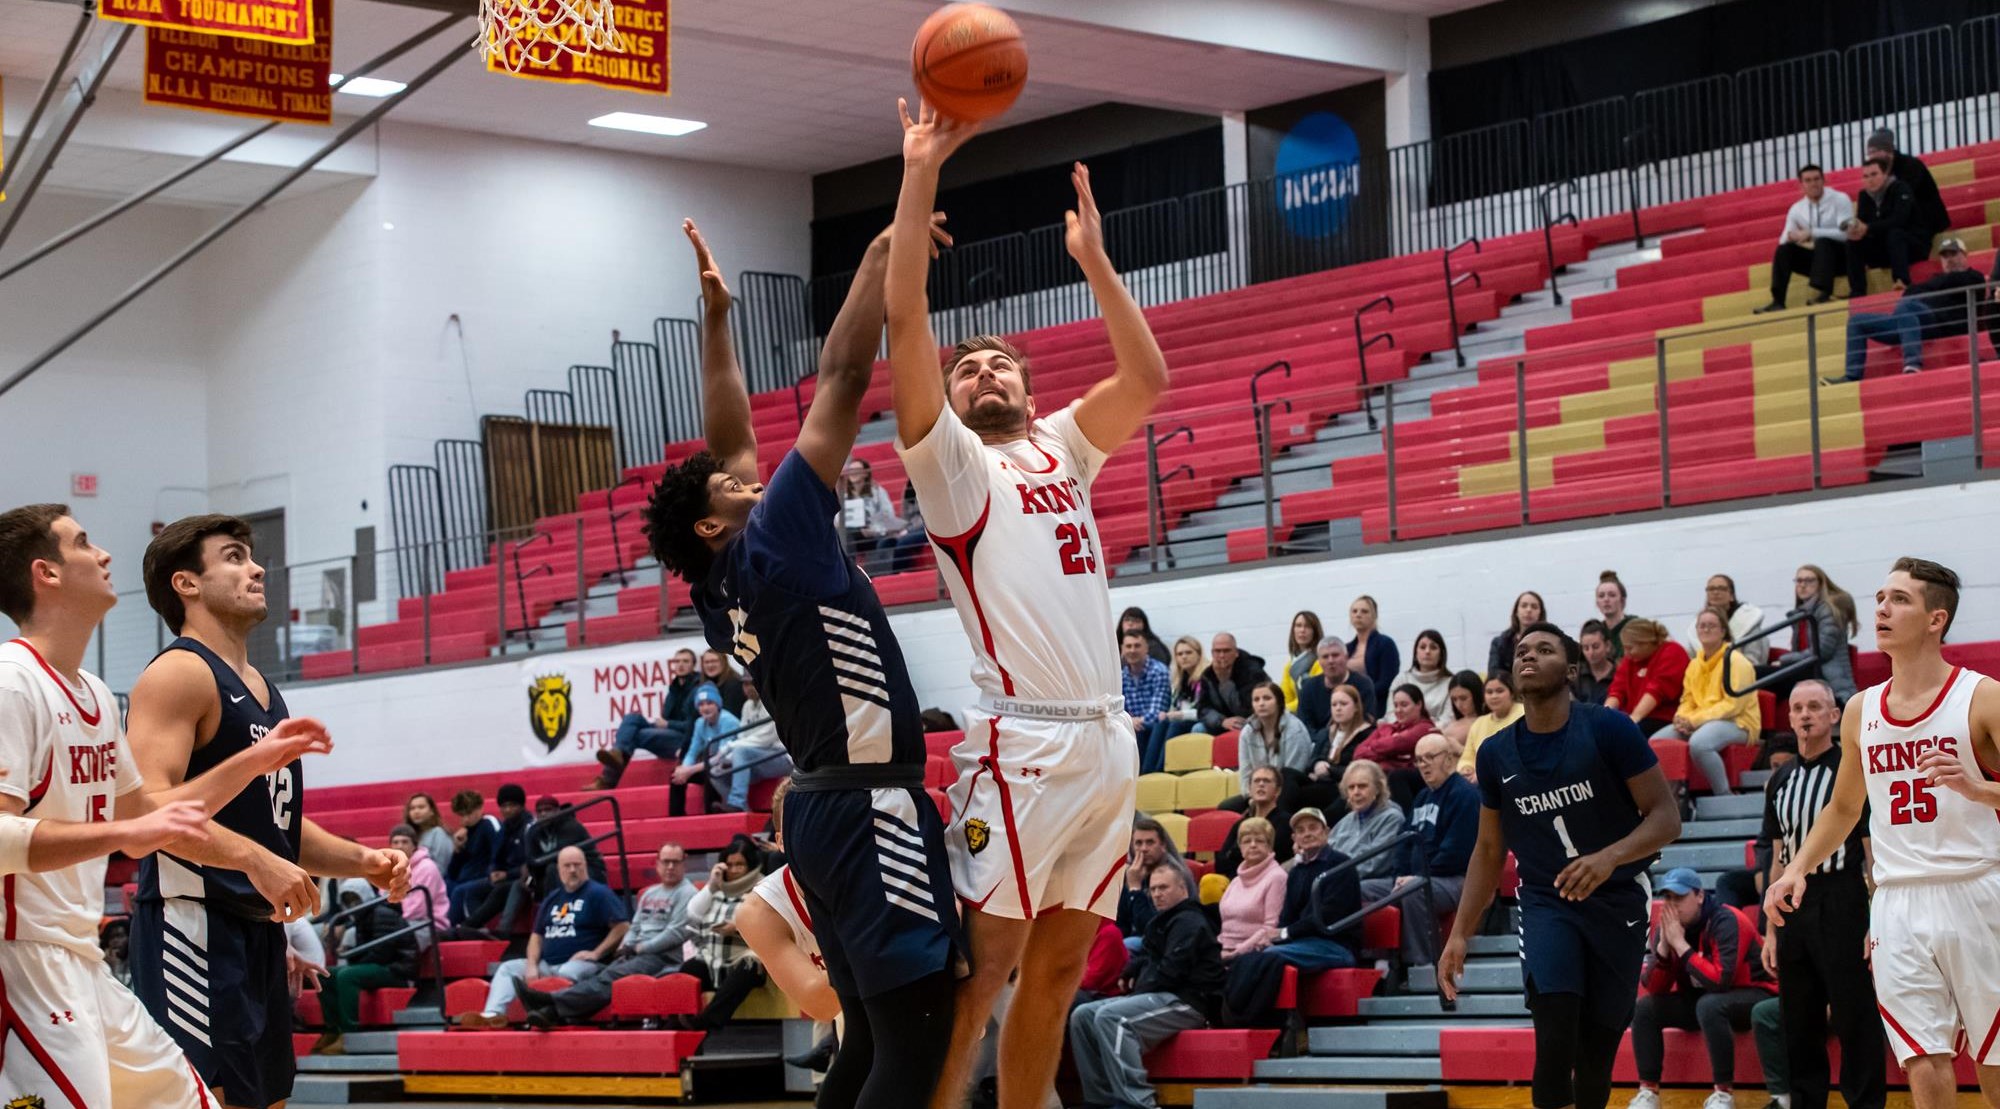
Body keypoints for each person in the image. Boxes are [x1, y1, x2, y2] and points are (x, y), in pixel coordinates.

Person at [889, 100, 1172, 1109]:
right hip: (1022, 745)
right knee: (982, 976)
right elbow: (905, 322)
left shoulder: (1060, 441)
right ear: (949, 400)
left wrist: (1093, 261)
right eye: (966, 368)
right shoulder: (949, 465)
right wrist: (918, 172)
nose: (982, 369)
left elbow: (1147, 374)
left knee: (1053, 978)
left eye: (998, 358)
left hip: (1106, 738)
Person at [642, 218, 962, 1105]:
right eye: (735, 487)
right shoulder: (777, 535)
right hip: (867, 807)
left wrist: (717, 322)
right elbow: (845, 378)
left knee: (862, 1043)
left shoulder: (720, 584)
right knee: (913, 1041)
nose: (752, 477)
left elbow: (726, 443)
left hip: (824, 812)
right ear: (717, 522)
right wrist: (872, 258)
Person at [0, 504, 328, 1109]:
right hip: (20, 957)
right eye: (84, 543)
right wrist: (243, 851)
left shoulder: (94, 692)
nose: (104, 556)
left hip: (82, 958)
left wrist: (254, 763)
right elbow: (103, 831)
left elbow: (144, 824)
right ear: (46, 573)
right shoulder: (12, 681)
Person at [127, 514, 408, 1109]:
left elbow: (274, 824)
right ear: (187, 584)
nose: (256, 567)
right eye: (233, 556)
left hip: (256, 933)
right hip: (193, 923)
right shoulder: (179, 673)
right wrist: (256, 861)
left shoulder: (258, 685)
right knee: (207, 1101)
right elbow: (147, 810)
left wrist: (364, 861)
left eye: (250, 555)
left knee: (269, 1101)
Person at [1765, 558, 2000, 1109]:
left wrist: (1983, 790)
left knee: (1995, 1062)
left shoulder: (1982, 698)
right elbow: (1845, 807)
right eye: (1879, 598)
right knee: (1923, 1057)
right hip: (1895, 902)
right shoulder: (1859, 709)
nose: (1881, 609)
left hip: (1978, 891)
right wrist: (1796, 868)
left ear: (1936, 619)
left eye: (1899, 599)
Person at [1440, 623, 1682, 1109]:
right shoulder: (1494, 753)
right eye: (1522, 651)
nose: (1528, 657)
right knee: (1554, 1033)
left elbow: (1666, 818)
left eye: (1544, 649)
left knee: (1596, 1053)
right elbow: (1489, 851)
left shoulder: (1608, 728)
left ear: (1570, 670)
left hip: (1618, 897)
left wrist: (1608, 856)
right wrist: (1460, 932)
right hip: (1546, 900)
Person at [1758, 680, 1884, 1109]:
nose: (1805, 715)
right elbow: (1778, 857)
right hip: (1792, 905)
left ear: (1835, 715)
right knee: (1799, 1020)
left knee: (1853, 1015)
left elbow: (1871, 856)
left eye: (1815, 706)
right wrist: (1771, 931)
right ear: (1789, 718)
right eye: (1797, 708)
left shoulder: (1850, 771)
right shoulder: (1780, 780)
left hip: (1842, 898)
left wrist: (1874, 918)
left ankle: (1865, 1103)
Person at [1067, 862, 1222, 1109]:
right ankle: (1098, 1100)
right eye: (1153, 889)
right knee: (1082, 1015)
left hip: (1187, 1001)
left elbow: (1171, 972)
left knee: (1111, 1017)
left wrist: (1137, 988)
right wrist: (1134, 968)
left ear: (1182, 888)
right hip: (1160, 995)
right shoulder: (1161, 922)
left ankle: (1137, 1102)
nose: (1157, 894)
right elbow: (1152, 958)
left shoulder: (1191, 921)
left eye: (1164, 888)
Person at [1626, 869, 1776, 1109]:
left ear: (1699, 896)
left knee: (1710, 1004)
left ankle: (1723, 1093)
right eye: (1669, 899)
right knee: (1645, 1008)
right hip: (1705, 999)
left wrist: (1681, 947)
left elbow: (1720, 981)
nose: (1673, 906)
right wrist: (1665, 948)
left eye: (1680, 898)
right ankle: (1648, 1092)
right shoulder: (1670, 928)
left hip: (1755, 995)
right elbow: (1654, 988)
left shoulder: (1727, 920)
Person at [516, 842, 696, 1027]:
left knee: (607, 979)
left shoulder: (688, 893)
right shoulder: (650, 893)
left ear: (685, 863)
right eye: (666, 861)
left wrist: (638, 948)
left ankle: (549, 1001)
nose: (670, 867)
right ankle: (551, 1013)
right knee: (601, 978)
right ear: (657, 863)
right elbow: (634, 927)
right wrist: (625, 946)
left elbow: (675, 933)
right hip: (637, 954)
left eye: (675, 862)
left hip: (664, 957)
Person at [458, 845, 628, 1029]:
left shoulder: (598, 893)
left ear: (585, 866)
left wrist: (596, 953)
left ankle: (556, 1015)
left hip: (584, 965)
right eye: (567, 865)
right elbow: (536, 936)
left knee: (568, 972)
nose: (572, 870)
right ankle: (493, 1016)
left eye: (577, 865)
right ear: (559, 869)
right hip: (548, 964)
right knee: (508, 968)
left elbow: (623, 926)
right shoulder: (553, 898)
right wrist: (531, 965)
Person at [1222, 808, 1361, 1025]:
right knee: (1250, 958)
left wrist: (1284, 933)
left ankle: (1263, 1023)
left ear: (1326, 832)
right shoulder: (1296, 872)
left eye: (1313, 828)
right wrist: (1278, 934)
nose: (1307, 834)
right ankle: (1237, 1019)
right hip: (1304, 943)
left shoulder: (1341, 864)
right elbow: (1287, 915)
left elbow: (1327, 916)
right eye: (1300, 830)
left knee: (1270, 957)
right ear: (1294, 838)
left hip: (1335, 944)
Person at [1360, 733, 1478, 969]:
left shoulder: (1466, 795)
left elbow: (1457, 852)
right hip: (1421, 877)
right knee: (1363, 889)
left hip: (1456, 880)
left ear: (1448, 759)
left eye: (1430, 758)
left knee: (1414, 889)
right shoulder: (1422, 797)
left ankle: (1422, 963)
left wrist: (1418, 876)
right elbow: (1403, 845)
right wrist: (1398, 876)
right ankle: (1381, 960)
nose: (1423, 765)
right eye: (1419, 760)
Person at [1832, 237, 1989, 383]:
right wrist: (1930, 287)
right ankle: (1851, 376)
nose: (1949, 259)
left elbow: (1949, 282)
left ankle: (1913, 363)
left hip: (1941, 325)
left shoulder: (1974, 277)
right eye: (1945, 256)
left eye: (1953, 254)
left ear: (1964, 255)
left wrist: (1928, 287)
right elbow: (1909, 291)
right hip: (1913, 321)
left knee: (1908, 306)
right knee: (1856, 321)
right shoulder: (1936, 280)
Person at [1654, 607, 1762, 796]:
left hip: (1739, 723)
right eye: (1701, 626)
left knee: (1700, 743)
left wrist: (1694, 721)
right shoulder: (1694, 664)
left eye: (1712, 625)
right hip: (1699, 722)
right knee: (1656, 743)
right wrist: (1681, 718)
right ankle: (1674, 799)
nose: (1706, 629)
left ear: (1723, 631)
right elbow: (1687, 699)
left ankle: (1724, 795)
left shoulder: (1737, 661)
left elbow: (1733, 705)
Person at [310, 879, 421, 1056]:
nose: (352, 904)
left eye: (355, 898)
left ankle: (349, 1034)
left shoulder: (382, 913)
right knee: (325, 974)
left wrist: (352, 957)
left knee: (347, 975)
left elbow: (382, 953)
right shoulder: (363, 916)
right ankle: (333, 1030)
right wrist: (351, 954)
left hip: (398, 970)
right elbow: (369, 950)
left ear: (366, 895)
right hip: (381, 966)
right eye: (348, 900)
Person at [671, 836, 770, 1032]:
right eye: (729, 864)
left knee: (748, 966)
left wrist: (737, 928)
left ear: (750, 865)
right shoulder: (718, 887)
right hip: (714, 956)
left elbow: (771, 926)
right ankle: (676, 1027)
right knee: (689, 968)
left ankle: (708, 1022)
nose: (733, 870)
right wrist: (711, 884)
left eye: (739, 865)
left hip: (749, 957)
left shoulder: (764, 887)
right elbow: (693, 913)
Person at [590, 647, 700, 789]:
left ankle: (607, 780)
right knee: (632, 718)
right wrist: (666, 723)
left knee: (636, 735)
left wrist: (668, 724)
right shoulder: (674, 688)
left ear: (693, 665)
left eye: (685, 661)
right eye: (677, 661)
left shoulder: (697, 688)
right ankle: (617, 752)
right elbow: (665, 715)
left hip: (685, 739)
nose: (680, 664)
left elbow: (694, 725)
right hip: (669, 733)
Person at [1756, 164, 1854, 313]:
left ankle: (1824, 294)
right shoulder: (1797, 209)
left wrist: (1812, 233)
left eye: (1816, 179)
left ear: (1824, 181)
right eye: (1808, 180)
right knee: (1784, 251)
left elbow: (1847, 234)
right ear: (1801, 185)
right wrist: (1793, 237)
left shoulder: (1840, 199)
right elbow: (1784, 240)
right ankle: (1778, 300)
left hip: (1843, 258)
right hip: (1818, 262)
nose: (1813, 184)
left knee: (1823, 242)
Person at [450, 784, 530, 935]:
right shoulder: (465, 833)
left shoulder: (491, 825)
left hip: (495, 876)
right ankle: (460, 928)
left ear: (480, 808)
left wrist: (498, 872)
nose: (466, 818)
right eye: (462, 815)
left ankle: (462, 929)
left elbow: (498, 854)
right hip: (485, 876)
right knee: (449, 883)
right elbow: (453, 871)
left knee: (463, 891)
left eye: (469, 813)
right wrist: (458, 849)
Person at [1771, 564, 1858, 702]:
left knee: (1760, 674)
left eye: (1809, 580)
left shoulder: (1827, 609)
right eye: (1799, 581)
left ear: (1820, 584)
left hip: (1826, 675)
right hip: (1808, 671)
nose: (1803, 585)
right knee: (1758, 676)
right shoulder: (1800, 614)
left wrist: (1784, 660)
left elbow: (1822, 651)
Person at [1845, 158, 1925, 294]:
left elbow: (1900, 220)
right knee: (1853, 242)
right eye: (1866, 176)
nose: (1870, 179)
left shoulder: (1901, 188)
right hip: (1885, 250)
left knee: (1895, 233)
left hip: (1911, 246)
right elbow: (1863, 223)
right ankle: (1857, 291)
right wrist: (1856, 229)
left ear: (1885, 174)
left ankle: (1901, 281)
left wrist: (1868, 228)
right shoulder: (1864, 195)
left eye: (1874, 174)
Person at [1215, 817, 1287, 962]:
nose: (1253, 845)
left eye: (1260, 840)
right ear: (1240, 848)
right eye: (1247, 841)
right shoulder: (1236, 881)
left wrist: (1238, 952)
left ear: (1270, 846)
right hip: (1224, 951)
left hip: (1253, 955)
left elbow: (1270, 928)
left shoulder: (1277, 877)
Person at [1866, 129, 1948, 246]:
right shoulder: (1880, 171)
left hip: (1925, 223)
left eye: (1874, 152)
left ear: (1887, 150)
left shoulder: (1911, 166)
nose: (1871, 157)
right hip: (1904, 222)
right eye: (1869, 153)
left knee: (1893, 236)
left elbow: (1904, 200)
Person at [1605, 619, 1690, 733]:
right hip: (1639, 718)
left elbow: (1657, 690)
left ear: (1646, 644)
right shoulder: (1630, 660)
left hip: (1664, 718)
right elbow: (1617, 690)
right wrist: (1604, 716)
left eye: (1630, 648)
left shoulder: (1672, 651)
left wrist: (1634, 719)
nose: (1626, 653)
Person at [1300, 685, 1375, 810]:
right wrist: (1317, 764)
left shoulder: (1367, 733)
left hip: (1340, 787)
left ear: (1356, 707)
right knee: (1287, 775)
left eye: (1343, 704)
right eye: (1334, 705)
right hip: (1319, 781)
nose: (1338, 709)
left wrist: (1329, 770)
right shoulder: (1327, 732)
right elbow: (1311, 760)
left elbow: (1361, 770)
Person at [1235, 681, 1312, 801]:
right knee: (1227, 807)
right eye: (1256, 700)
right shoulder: (1247, 732)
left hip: (1289, 793)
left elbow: (1293, 774)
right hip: (1258, 794)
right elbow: (1245, 772)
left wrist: (1270, 800)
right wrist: (1250, 797)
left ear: (1279, 702)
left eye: (1267, 698)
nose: (1261, 703)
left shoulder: (1295, 730)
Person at [672, 683, 742, 815]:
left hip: (732, 765)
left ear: (718, 704)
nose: (705, 708)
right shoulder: (699, 723)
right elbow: (692, 752)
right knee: (675, 775)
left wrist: (690, 770)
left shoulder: (728, 721)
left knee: (711, 772)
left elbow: (721, 757)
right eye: (701, 704)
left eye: (709, 703)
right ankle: (676, 817)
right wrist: (684, 769)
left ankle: (711, 815)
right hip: (712, 763)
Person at [1117, 817, 1187, 949]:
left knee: (1128, 945)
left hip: (1165, 940)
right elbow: (1121, 923)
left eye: (1150, 842)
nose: (1144, 849)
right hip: (1135, 939)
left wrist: (1135, 889)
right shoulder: (1133, 872)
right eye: (1138, 843)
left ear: (1163, 846)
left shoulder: (1173, 874)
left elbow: (1152, 926)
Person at [1329, 759, 1404, 879]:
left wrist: (1333, 878)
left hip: (1371, 883)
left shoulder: (1392, 818)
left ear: (1378, 788)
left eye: (1362, 786)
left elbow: (1373, 865)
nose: (1356, 792)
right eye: (1351, 788)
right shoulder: (1344, 822)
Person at [839, 456, 915, 574]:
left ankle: (877, 576)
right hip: (851, 535)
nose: (853, 473)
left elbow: (888, 516)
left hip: (874, 534)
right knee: (847, 537)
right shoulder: (842, 495)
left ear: (865, 473)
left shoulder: (878, 492)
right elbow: (837, 520)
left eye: (857, 469)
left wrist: (872, 530)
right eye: (851, 470)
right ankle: (849, 574)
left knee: (885, 542)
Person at [1295, 637, 1378, 745]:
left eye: (1335, 655)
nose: (1331, 661)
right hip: (1317, 745)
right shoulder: (1308, 688)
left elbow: (1368, 722)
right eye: (1325, 657)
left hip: (1355, 744)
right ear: (1319, 662)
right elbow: (1305, 727)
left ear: (1346, 657)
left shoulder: (1363, 684)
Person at [1142, 635, 1206, 774]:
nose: (1184, 657)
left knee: (1175, 723)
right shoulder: (1178, 680)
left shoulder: (1205, 678)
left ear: (1199, 654)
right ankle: (1147, 772)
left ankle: (1162, 769)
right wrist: (1169, 714)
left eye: (1188, 653)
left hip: (1198, 719)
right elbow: (1174, 706)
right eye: (1179, 654)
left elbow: (1204, 710)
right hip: (1181, 718)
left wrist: (1179, 714)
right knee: (1160, 722)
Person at [1215, 766, 1294, 876]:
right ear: (1250, 789)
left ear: (1278, 790)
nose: (1261, 784)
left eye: (1266, 781)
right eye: (1256, 781)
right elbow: (1221, 862)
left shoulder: (1287, 822)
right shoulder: (1240, 825)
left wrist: (1237, 854)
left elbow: (1277, 856)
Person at [1357, 683, 1440, 780]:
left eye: (1404, 705)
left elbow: (1394, 745)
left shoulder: (1425, 728)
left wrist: (1373, 746)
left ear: (1419, 704)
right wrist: (1391, 758)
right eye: (1395, 705)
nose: (1398, 710)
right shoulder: (1386, 728)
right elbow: (1358, 754)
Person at [388, 824, 449, 946]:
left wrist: (390, 919)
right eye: (395, 842)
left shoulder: (427, 868)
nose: (400, 846)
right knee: (354, 934)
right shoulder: (390, 869)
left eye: (405, 842)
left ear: (414, 846)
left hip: (428, 924)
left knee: (387, 937)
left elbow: (418, 909)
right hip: (402, 920)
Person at [1197, 633, 1271, 735]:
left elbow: (1247, 710)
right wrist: (1222, 721)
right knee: (1198, 729)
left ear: (1236, 652)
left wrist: (1224, 681)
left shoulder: (1252, 671)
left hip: (1253, 721)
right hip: (1223, 722)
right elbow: (1202, 709)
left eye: (1226, 651)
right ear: (1212, 653)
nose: (1222, 655)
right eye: (1217, 651)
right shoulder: (1207, 675)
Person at [1688, 575, 1769, 667]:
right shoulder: (1697, 628)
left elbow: (1753, 662)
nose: (1715, 592)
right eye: (1711, 589)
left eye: (1722, 588)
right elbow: (1692, 663)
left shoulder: (1749, 623)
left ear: (1732, 596)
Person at [1458, 672, 1526, 779]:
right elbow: (1467, 757)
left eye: (1499, 691)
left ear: (1512, 693)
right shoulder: (1479, 723)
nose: (1494, 696)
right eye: (1489, 692)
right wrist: (1466, 768)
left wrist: (1482, 774)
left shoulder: (1524, 714)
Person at [1120, 630, 1173, 764]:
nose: (1132, 650)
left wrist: (1134, 721)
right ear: (1122, 649)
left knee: (1140, 732)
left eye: (1137, 646)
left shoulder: (1159, 671)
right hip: (1132, 726)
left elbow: (1158, 710)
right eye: (1128, 646)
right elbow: (1119, 710)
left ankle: (1145, 775)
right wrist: (1130, 721)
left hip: (1154, 726)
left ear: (1146, 648)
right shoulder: (1121, 676)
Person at [1346, 597, 1401, 718]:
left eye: (1364, 611)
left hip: (1376, 709)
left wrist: (1359, 696)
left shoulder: (1385, 644)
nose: (1358, 615)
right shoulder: (1347, 648)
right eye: (1354, 611)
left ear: (1374, 616)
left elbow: (1387, 682)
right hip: (1349, 710)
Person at [1390, 629, 1455, 725]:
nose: (1427, 651)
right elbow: (1390, 714)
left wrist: (1422, 733)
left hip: (1434, 735)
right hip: (1400, 733)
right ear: (1415, 654)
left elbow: (1448, 720)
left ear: (1441, 654)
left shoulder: (1451, 683)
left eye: (1433, 648)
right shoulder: (1402, 679)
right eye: (1422, 647)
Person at [1276, 610, 1325, 714]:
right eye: (1298, 625)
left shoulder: (1321, 661)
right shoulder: (1289, 666)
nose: (1302, 630)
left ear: (1315, 631)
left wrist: (1284, 709)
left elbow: (1313, 696)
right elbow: (1284, 697)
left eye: (1307, 626)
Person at [1490, 591, 1547, 675]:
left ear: (1540, 613)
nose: (1529, 610)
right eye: (1524, 606)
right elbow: (1494, 674)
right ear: (1516, 612)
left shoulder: (1549, 641)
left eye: (1534, 607)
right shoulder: (1500, 643)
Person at [403, 792, 455, 877]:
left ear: (432, 811)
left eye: (421, 807)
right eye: (412, 808)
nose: (416, 811)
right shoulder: (408, 837)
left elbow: (442, 868)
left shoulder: (438, 833)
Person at [1575, 621, 1619, 706]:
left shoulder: (1619, 673)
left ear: (1607, 646)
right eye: (1586, 648)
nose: (1591, 653)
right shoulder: (1576, 674)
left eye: (1596, 647)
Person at [1595, 572, 1635, 662]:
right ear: (1597, 603)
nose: (1606, 599)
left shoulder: (1636, 625)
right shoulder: (1595, 631)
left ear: (1622, 600)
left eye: (1612, 595)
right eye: (1601, 596)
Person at [1441, 671, 1486, 749]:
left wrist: (1459, 749)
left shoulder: (1486, 722)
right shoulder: (1452, 721)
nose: (1459, 705)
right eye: (1454, 699)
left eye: (1463, 698)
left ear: (1477, 695)